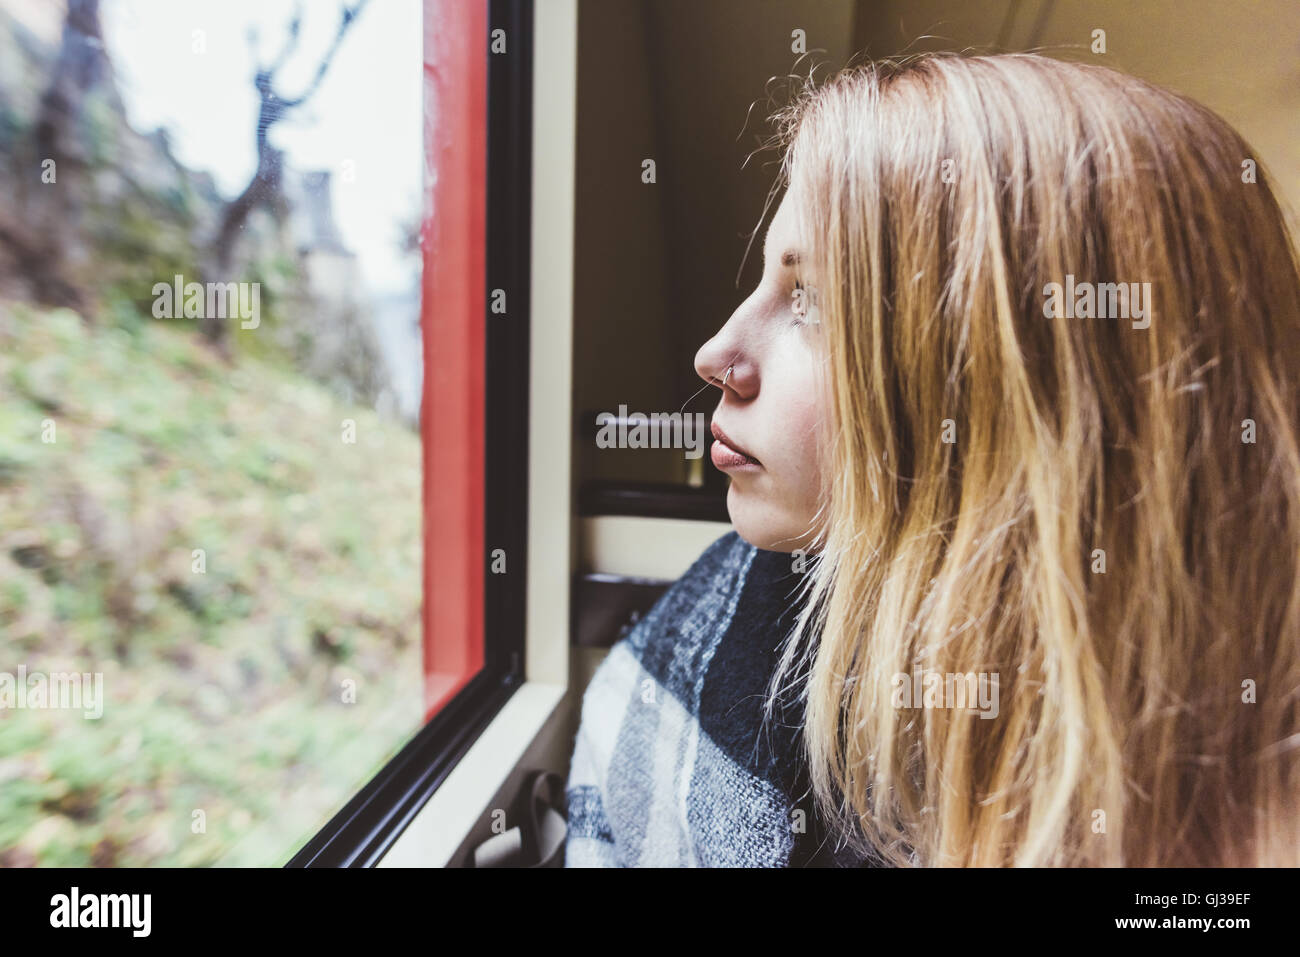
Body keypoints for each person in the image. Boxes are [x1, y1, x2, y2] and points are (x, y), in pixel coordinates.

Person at [566, 52, 1300, 867]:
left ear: (1019, 388)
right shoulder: (710, 638)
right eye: (767, 280)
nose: (716, 354)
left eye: (813, 301)